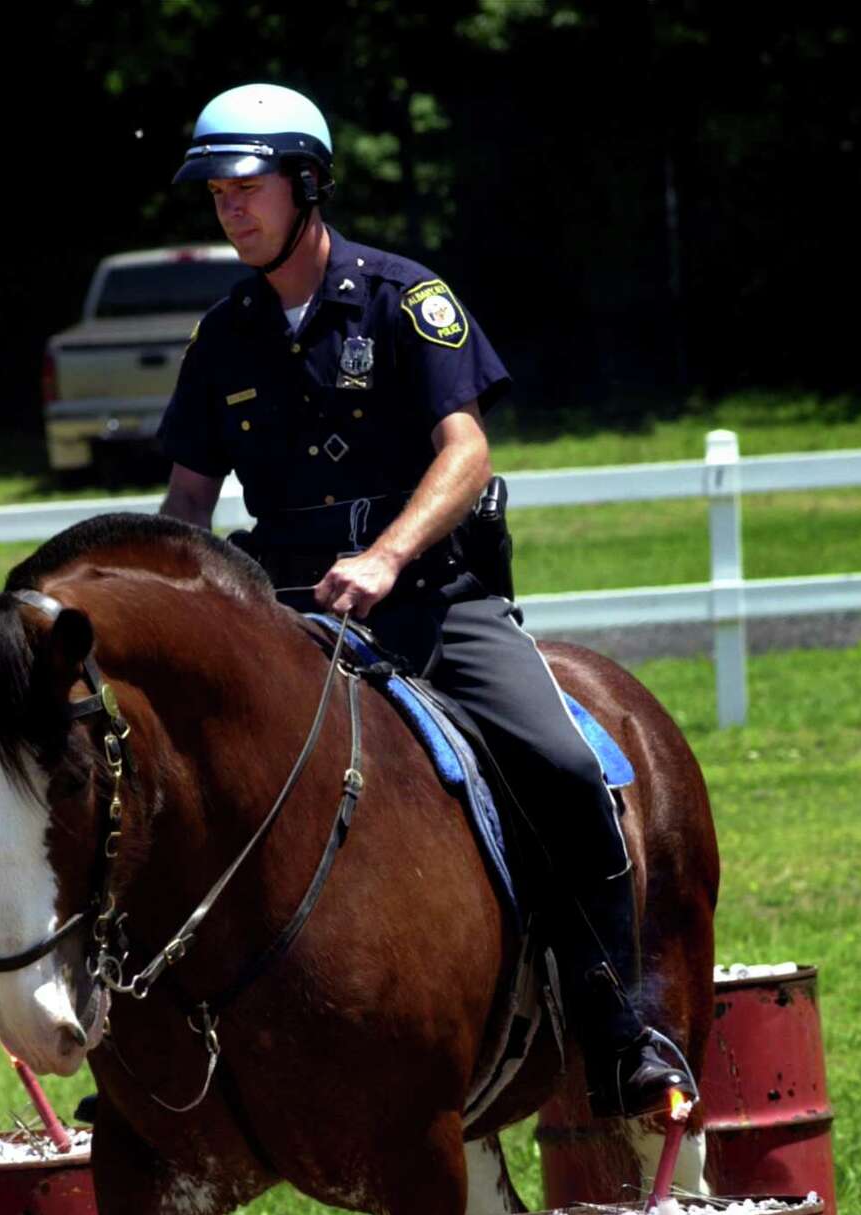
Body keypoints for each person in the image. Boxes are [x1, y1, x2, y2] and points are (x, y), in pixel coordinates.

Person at [157, 83, 694, 1118]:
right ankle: (166, 1055)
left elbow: (467, 449)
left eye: (248, 186)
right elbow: (187, 497)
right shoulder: (220, 335)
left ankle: (619, 1026)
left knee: (562, 763)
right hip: (287, 612)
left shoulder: (407, 299)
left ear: (308, 186)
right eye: (215, 192)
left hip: (433, 605)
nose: (229, 209)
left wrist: (390, 555)